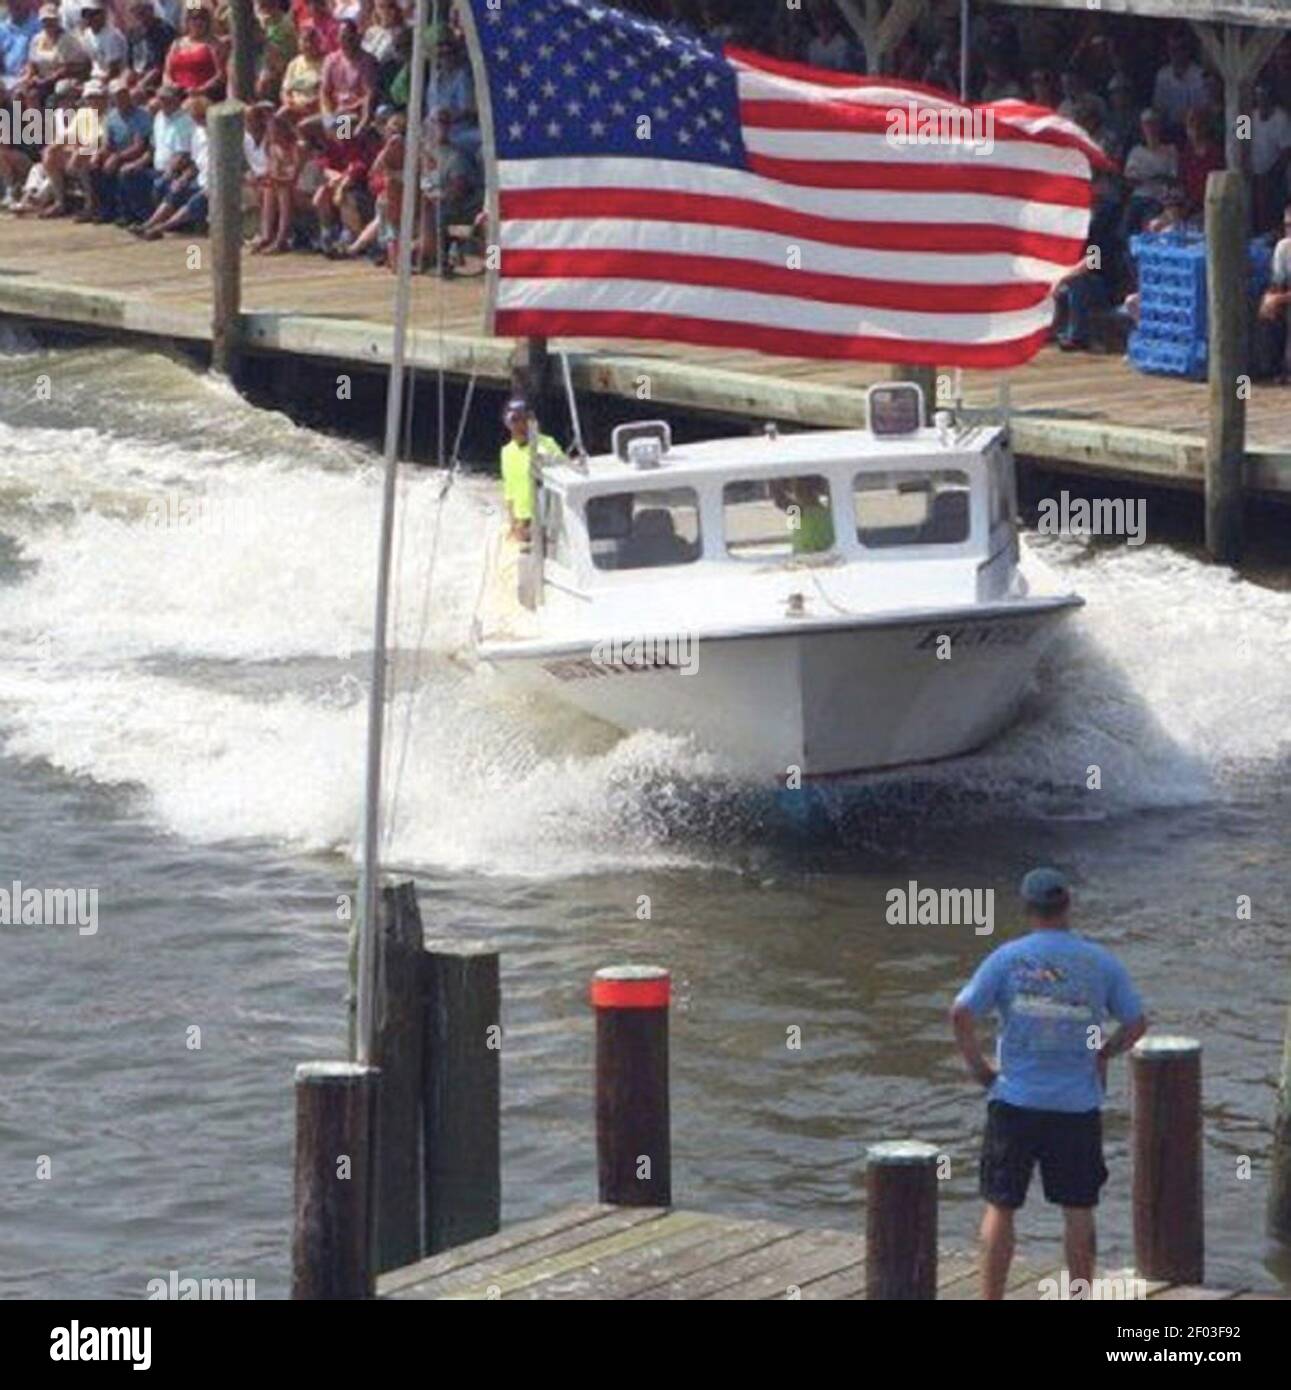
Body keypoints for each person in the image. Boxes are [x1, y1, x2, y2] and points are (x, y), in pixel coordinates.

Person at [951, 868, 1148, 1301]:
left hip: (1014, 1101)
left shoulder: (1006, 958)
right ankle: (1078, 1294)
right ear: (1068, 906)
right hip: (1076, 1107)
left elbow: (961, 1013)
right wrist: (1104, 1052)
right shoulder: (1098, 961)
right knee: (1078, 1209)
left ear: (1026, 908)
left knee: (1001, 1206)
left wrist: (979, 1067)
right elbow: (1136, 1023)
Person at [499, 399, 562, 543]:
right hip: (523, 520)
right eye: (515, 420)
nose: (520, 425)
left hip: (546, 518)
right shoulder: (506, 452)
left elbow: (563, 477)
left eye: (525, 419)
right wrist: (513, 523)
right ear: (508, 424)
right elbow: (509, 490)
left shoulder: (547, 444)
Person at [1257, 204, 1291, 383]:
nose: (1289, 230)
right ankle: (1264, 369)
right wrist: (1270, 298)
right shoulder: (1284, 247)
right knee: (1266, 312)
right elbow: (1278, 282)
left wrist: (1280, 298)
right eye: (1287, 226)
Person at [1151, 30, 1206, 139]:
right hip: (1168, 129)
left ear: (1188, 51)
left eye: (1181, 49)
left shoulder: (1199, 75)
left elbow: (1203, 107)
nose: (1177, 54)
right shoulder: (1162, 75)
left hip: (1194, 128)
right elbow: (1158, 107)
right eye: (1173, 50)